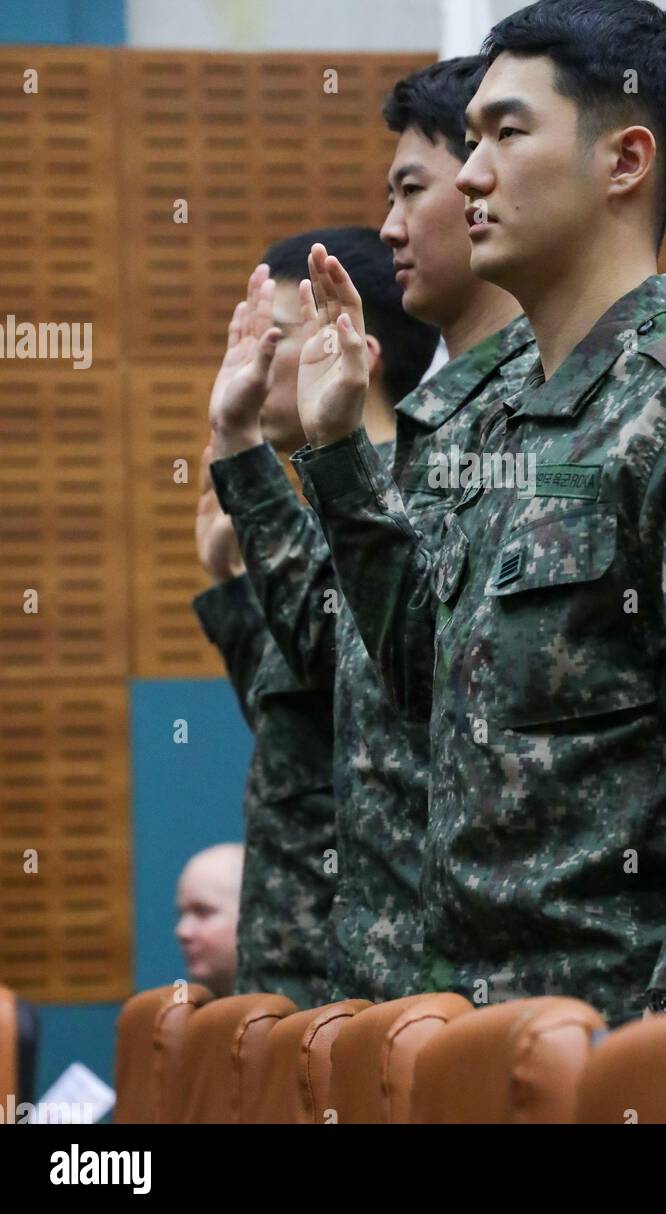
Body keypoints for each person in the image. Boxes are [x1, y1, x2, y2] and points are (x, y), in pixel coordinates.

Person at [291, 0, 666, 1024]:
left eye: (506, 132)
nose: (470, 174)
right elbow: (420, 678)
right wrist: (334, 456)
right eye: (470, 140)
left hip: (611, 1044)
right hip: (471, 1031)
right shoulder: (494, 414)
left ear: (623, 161)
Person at [207, 57, 535, 1002]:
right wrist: (244, 457)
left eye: (411, 190)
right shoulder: (435, 438)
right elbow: (339, 678)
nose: (392, 225)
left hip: (509, 996)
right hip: (387, 982)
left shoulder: (569, 419)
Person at [195, 227, 437, 1007]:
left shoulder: (415, 502)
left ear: (350, 346)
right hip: (308, 977)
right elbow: (300, 729)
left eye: (277, 337)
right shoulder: (327, 511)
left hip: (373, 984)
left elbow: (369, 683)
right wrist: (233, 593)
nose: (254, 361)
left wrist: (241, 455)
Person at [174, 843, 245, 998]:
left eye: (203, 912)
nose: (182, 931)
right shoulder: (181, 1012)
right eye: (181, 914)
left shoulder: (301, 1017)